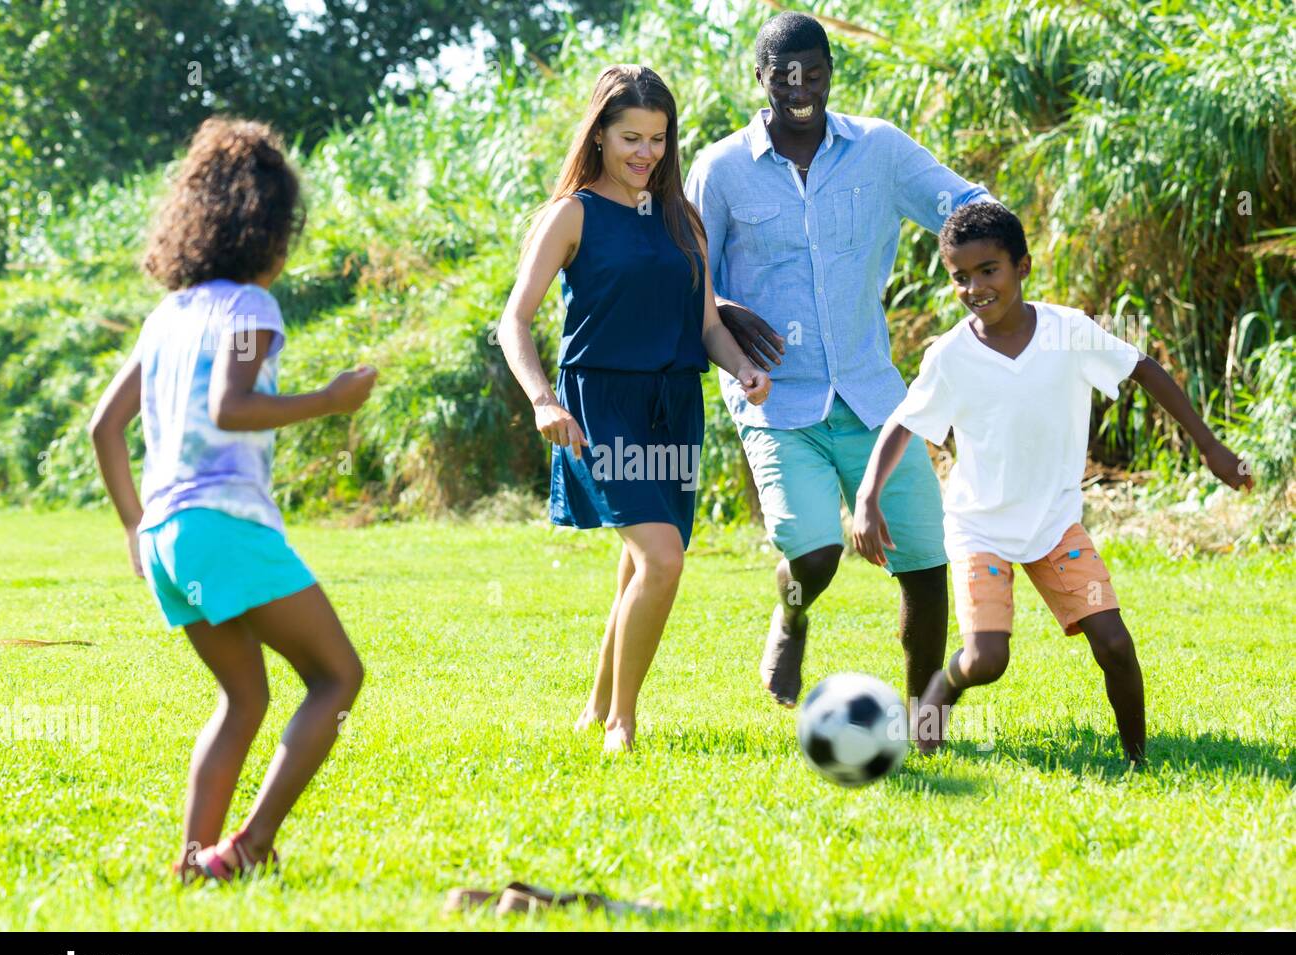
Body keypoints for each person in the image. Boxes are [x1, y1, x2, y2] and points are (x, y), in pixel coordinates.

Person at [853, 202, 1253, 763]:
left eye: (988, 270)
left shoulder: (1068, 332)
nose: (974, 288)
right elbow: (903, 423)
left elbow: (1143, 368)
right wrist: (868, 497)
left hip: (1055, 524)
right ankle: (943, 688)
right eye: (959, 278)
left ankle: (1139, 760)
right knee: (987, 659)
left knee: (1114, 643)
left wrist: (1210, 446)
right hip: (980, 530)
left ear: (1023, 267)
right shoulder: (950, 355)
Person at [89, 118, 378, 880]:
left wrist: (133, 524)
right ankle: (245, 847)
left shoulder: (167, 315)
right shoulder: (251, 309)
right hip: (222, 524)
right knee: (337, 677)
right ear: (268, 227)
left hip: (166, 538)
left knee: (243, 698)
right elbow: (231, 406)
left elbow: (103, 428)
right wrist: (330, 398)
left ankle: (194, 863)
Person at [684, 10, 994, 709]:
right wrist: (724, 309)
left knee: (922, 561)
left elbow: (965, 205)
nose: (800, 90)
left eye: (814, 75)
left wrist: (994, 266)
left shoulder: (879, 151)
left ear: (830, 74)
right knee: (816, 550)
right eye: (783, 76)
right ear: (759, 78)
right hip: (773, 397)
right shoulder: (722, 169)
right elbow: (688, 275)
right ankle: (791, 614)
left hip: (873, 394)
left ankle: (925, 716)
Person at [498, 65, 771, 753]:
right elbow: (514, 321)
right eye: (630, 138)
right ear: (598, 135)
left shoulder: (684, 220)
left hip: (672, 404)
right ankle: (623, 720)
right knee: (662, 557)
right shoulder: (571, 214)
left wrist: (742, 367)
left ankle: (596, 706)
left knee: (639, 561)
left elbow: (708, 322)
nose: (645, 152)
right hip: (599, 404)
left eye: (657, 137)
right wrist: (541, 399)